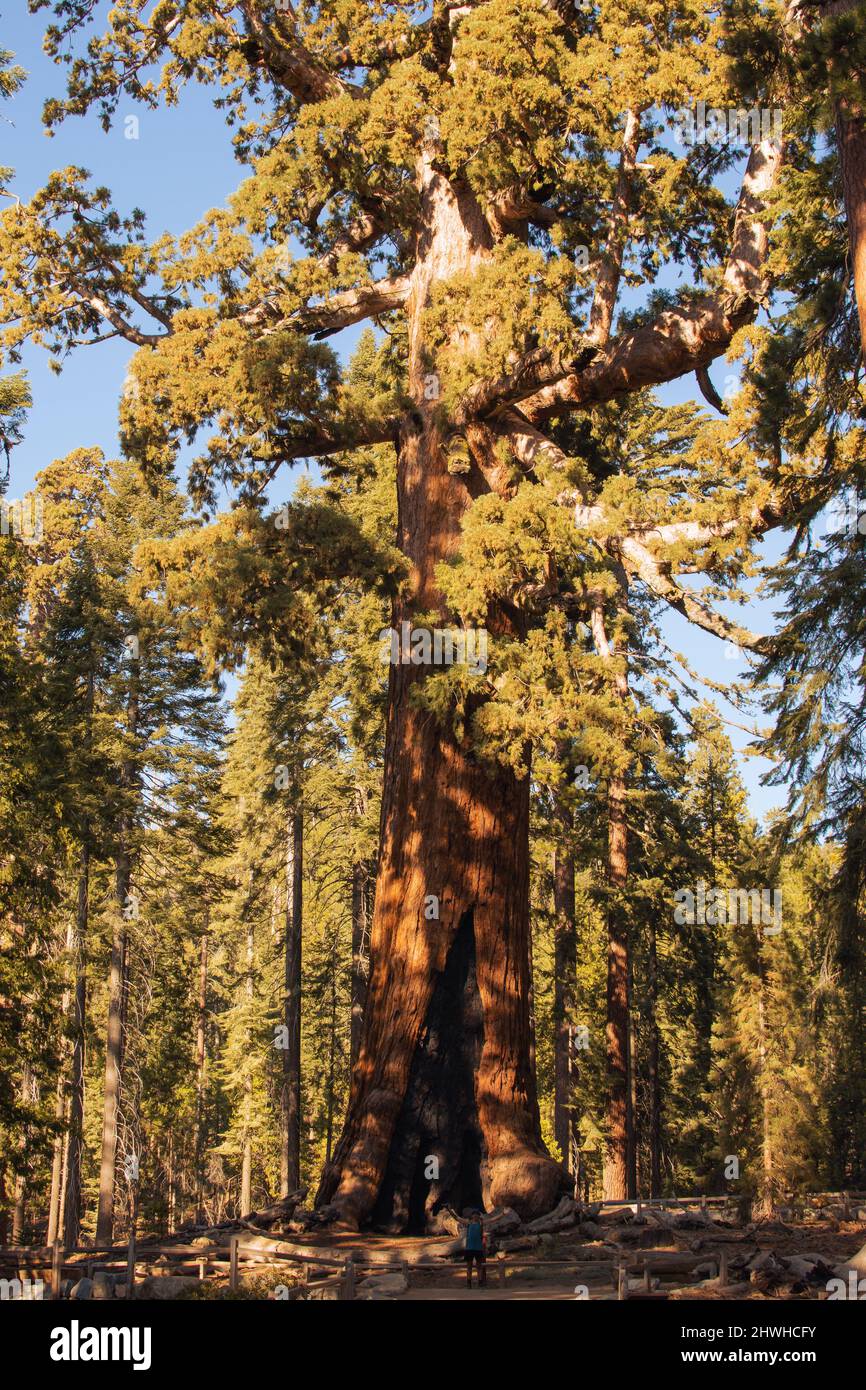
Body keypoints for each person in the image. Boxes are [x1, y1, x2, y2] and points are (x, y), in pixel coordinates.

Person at [463, 1209, 486, 1288]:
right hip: (469, 1248)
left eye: (477, 1214)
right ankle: (469, 1283)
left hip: (478, 1248)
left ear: (479, 1216)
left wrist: (503, 1214)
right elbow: (457, 1218)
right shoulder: (468, 1223)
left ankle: (480, 1282)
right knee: (469, 1267)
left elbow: (493, 1219)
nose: (475, 1216)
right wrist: (449, 1210)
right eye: (474, 1214)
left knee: (479, 1267)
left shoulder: (481, 1224)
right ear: (472, 1216)